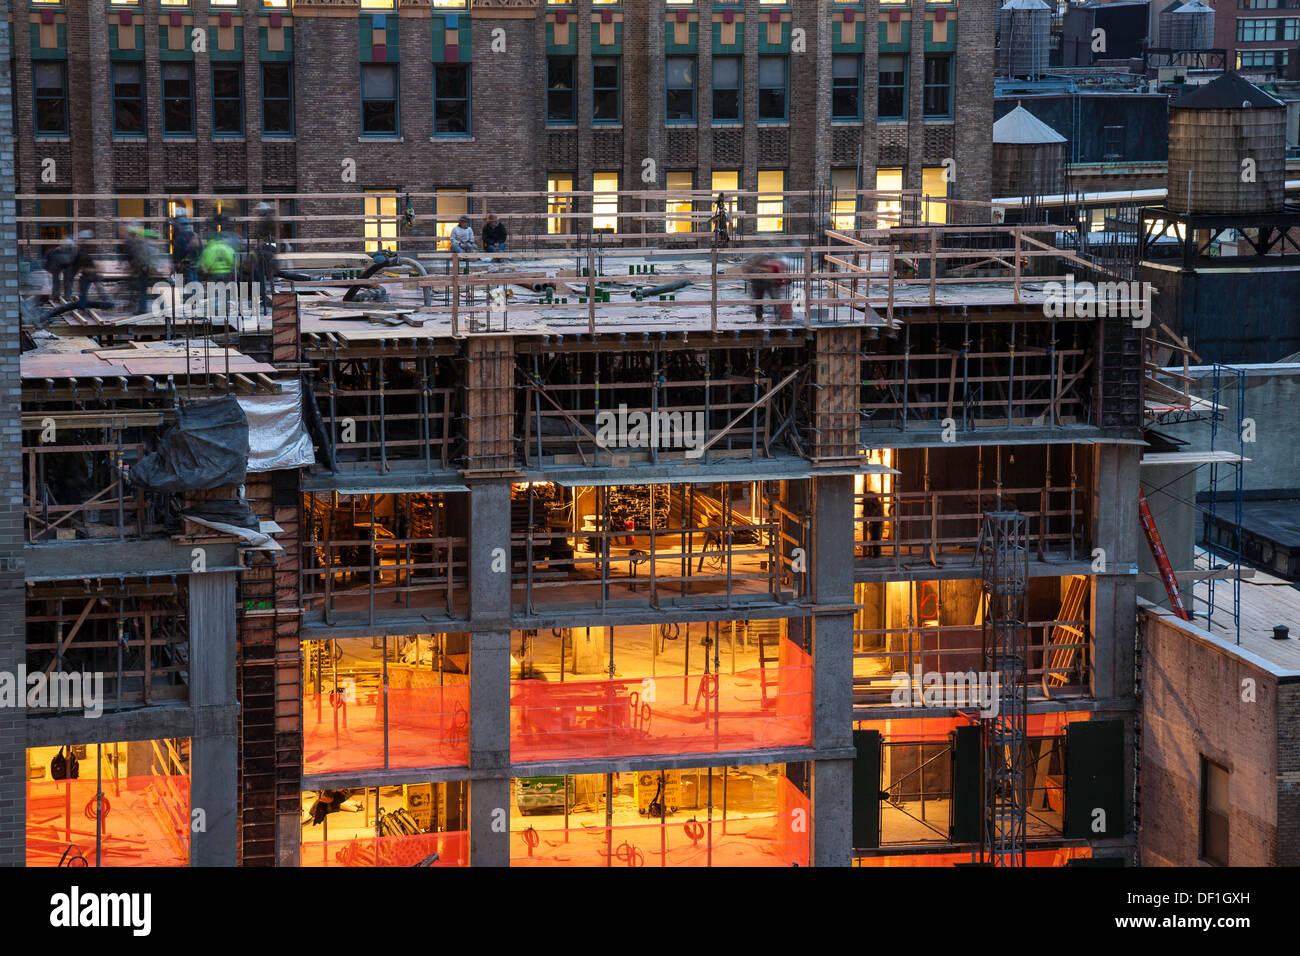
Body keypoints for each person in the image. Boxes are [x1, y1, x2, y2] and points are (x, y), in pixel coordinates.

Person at [122, 224, 159, 316]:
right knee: (142, 289)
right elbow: (152, 259)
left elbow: (141, 258)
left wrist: (137, 266)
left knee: (142, 290)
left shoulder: (145, 245)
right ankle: (140, 308)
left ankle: (141, 309)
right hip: (146, 270)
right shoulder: (151, 246)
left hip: (143, 270)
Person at [747, 253, 791, 323]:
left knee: (759, 301)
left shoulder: (757, 264)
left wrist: (753, 287)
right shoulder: (775, 264)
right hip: (771, 283)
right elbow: (779, 277)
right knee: (776, 301)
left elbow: (752, 276)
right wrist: (782, 283)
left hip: (758, 284)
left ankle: (759, 318)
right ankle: (777, 319)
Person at [43, 235, 78, 300]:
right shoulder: (56, 252)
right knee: (58, 281)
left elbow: (74, 263)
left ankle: (65, 296)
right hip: (57, 265)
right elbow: (49, 260)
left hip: (65, 265)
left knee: (66, 281)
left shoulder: (70, 253)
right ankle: (60, 296)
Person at [72, 231, 100, 307]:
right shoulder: (86, 249)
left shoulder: (82, 250)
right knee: (98, 290)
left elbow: (78, 263)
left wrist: (74, 273)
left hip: (87, 274)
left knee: (83, 292)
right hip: (91, 274)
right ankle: (108, 305)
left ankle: (82, 307)